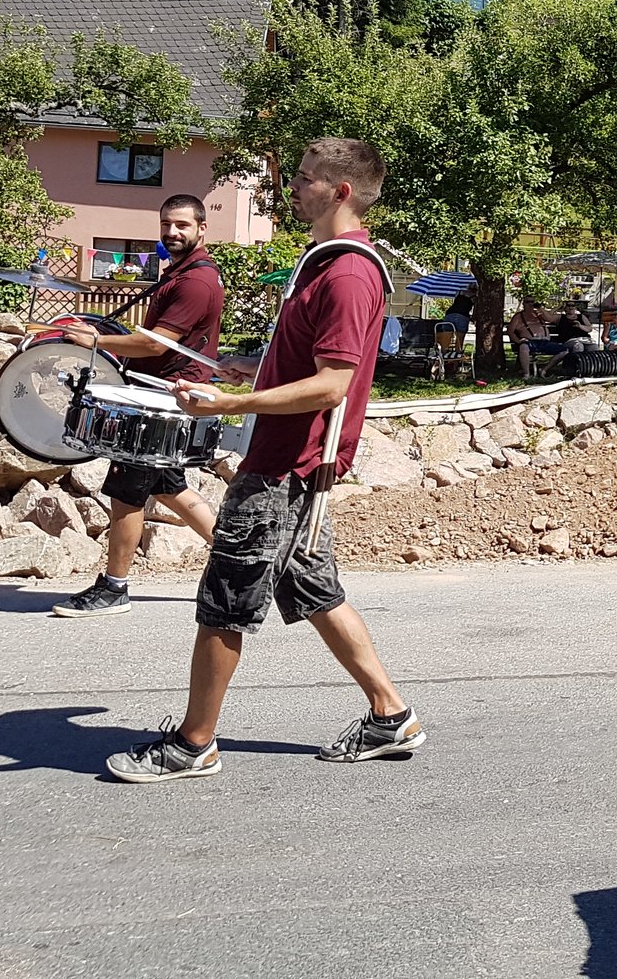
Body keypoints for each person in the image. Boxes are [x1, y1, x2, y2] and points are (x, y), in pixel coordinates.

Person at [103, 138, 424, 782]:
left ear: (341, 191)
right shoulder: (321, 263)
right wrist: (242, 370)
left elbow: (333, 383)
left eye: (305, 179)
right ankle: (392, 715)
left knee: (223, 600)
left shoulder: (348, 274)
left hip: (283, 465)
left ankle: (194, 745)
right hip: (293, 460)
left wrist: (228, 402)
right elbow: (309, 366)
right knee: (312, 587)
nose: (294, 187)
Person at [51, 195, 225, 618]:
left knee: (126, 490)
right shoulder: (179, 273)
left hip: (161, 396)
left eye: (182, 225)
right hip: (164, 391)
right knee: (168, 485)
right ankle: (246, 562)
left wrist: (95, 340)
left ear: (203, 229)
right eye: (167, 224)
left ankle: (114, 587)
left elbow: (154, 342)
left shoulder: (195, 282)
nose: (172, 232)